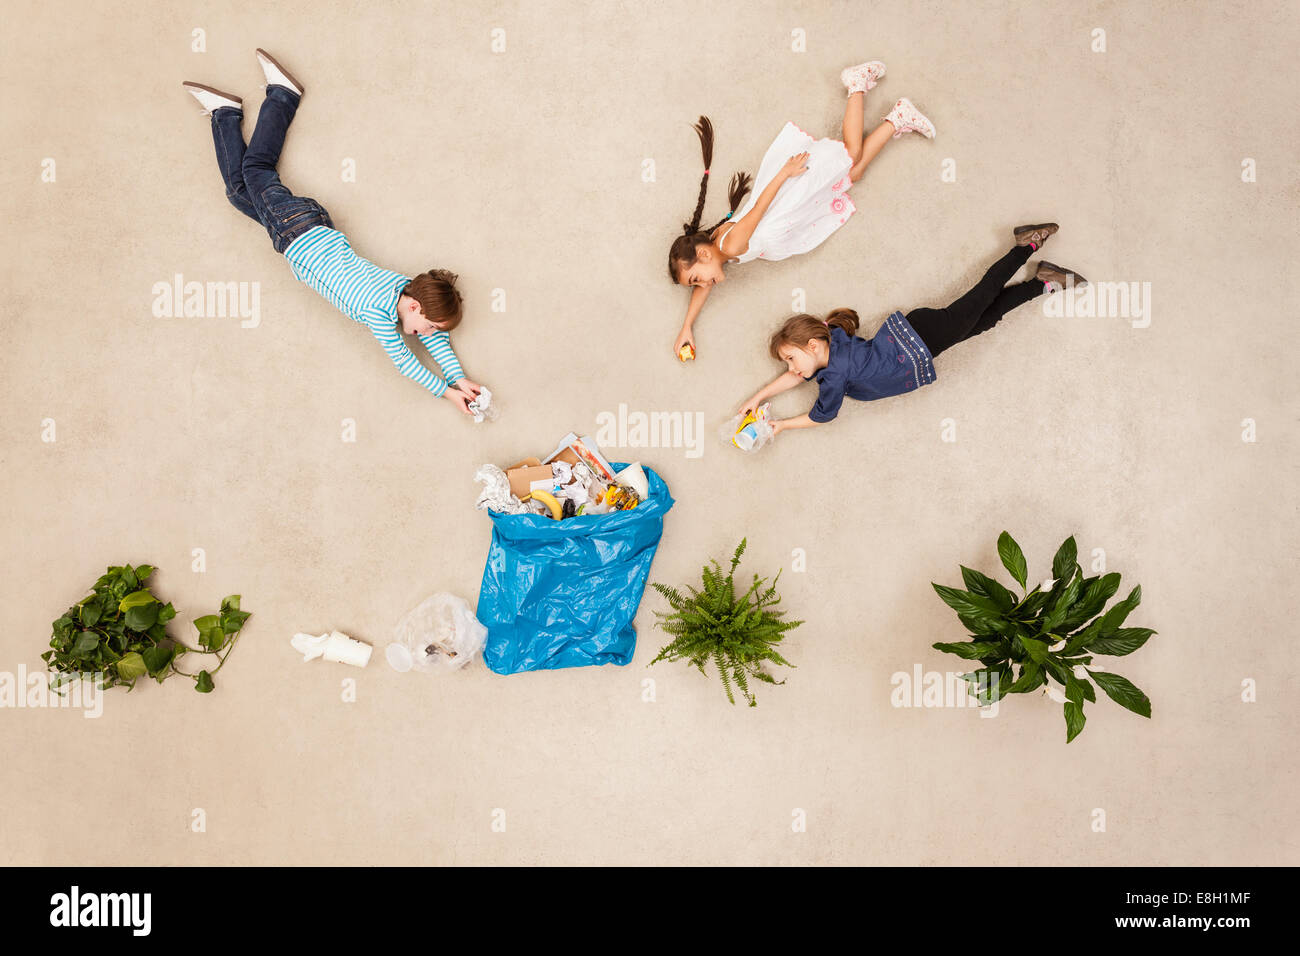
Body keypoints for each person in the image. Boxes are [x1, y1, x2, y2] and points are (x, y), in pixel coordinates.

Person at [181, 50, 485, 412]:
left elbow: (437, 343)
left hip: (311, 226)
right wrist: (448, 393)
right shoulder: (379, 312)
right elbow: (405, 362)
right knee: (257, 169)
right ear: (415, 306)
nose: (430, 336)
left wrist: (460, 377)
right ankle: (283, 95)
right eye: (431, 326)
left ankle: (225, 114)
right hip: (294, 232)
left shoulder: (403, 285)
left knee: (238, 194)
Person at [667, 60, 936, 358]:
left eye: (696, 278)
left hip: (792, 192)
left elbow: (758, 208)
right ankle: (898, 118)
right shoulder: (718, 245)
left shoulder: (730, 243)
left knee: (851, 152)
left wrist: (785, 173)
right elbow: (704, 289)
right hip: (792, 204)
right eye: (696, 283)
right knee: (852, 174)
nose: (702, 285)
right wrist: (686, 326)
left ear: (703, 255)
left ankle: (856, 84)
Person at [738, 224, 1088, 435]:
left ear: (813, 346)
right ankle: (1041, 283)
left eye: (790, 358)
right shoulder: (833, 341)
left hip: (923, 338)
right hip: (921, 337)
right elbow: (795, 377)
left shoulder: (834, 377)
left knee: (981, 298)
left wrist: (780, 426)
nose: (791, 368)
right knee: (984, 320)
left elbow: (820, 417)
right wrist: (757, 398)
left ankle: (1026, 244)